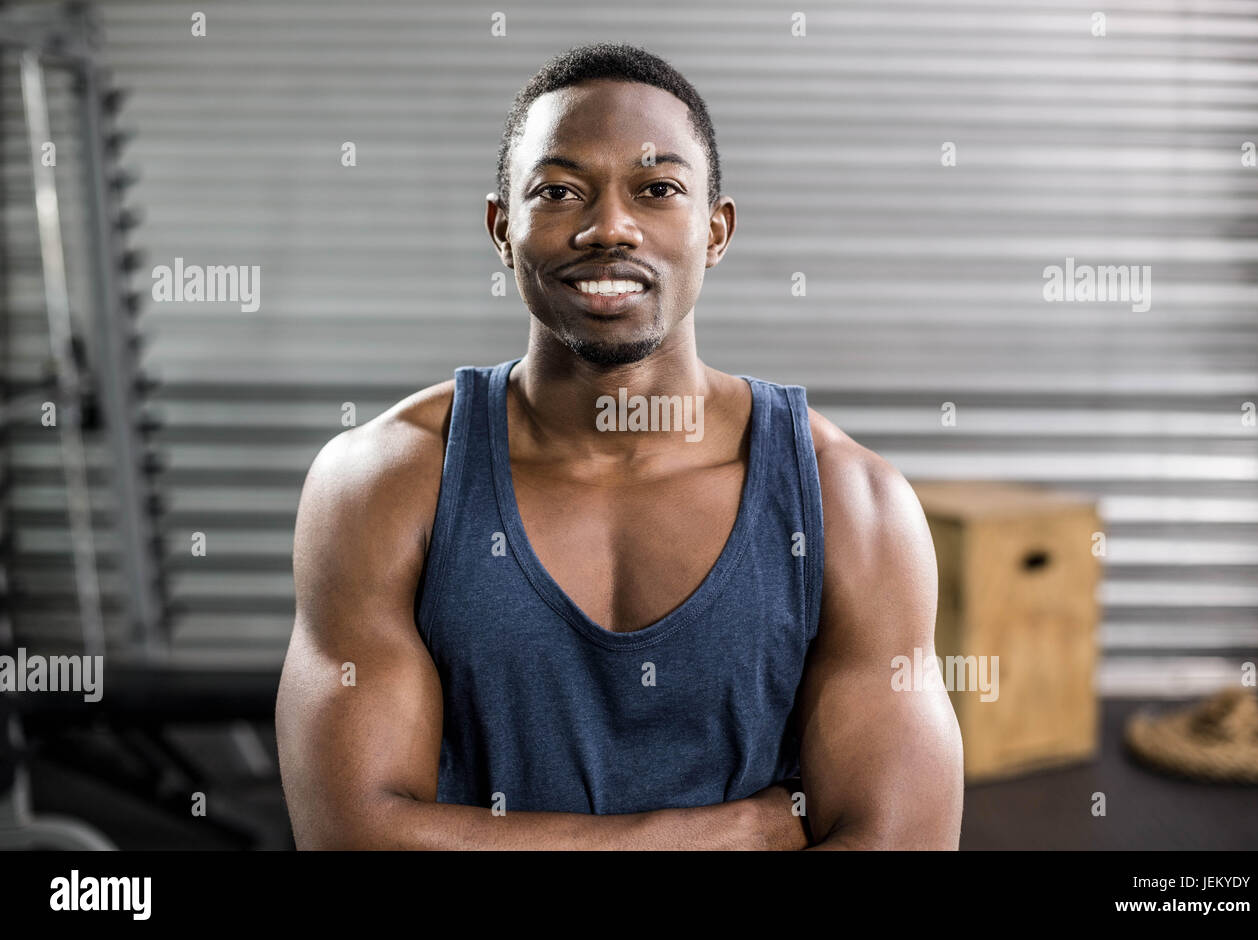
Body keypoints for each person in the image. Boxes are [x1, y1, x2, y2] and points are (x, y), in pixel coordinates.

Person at [275, 42, 963, 849]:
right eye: (560, 191)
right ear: (504, 229)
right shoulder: (383, 481)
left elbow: (900, 842)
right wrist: (738, 831)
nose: (609, 227)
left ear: (716, 231)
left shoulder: (852, 501)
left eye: (657, 189)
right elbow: (352, 837)